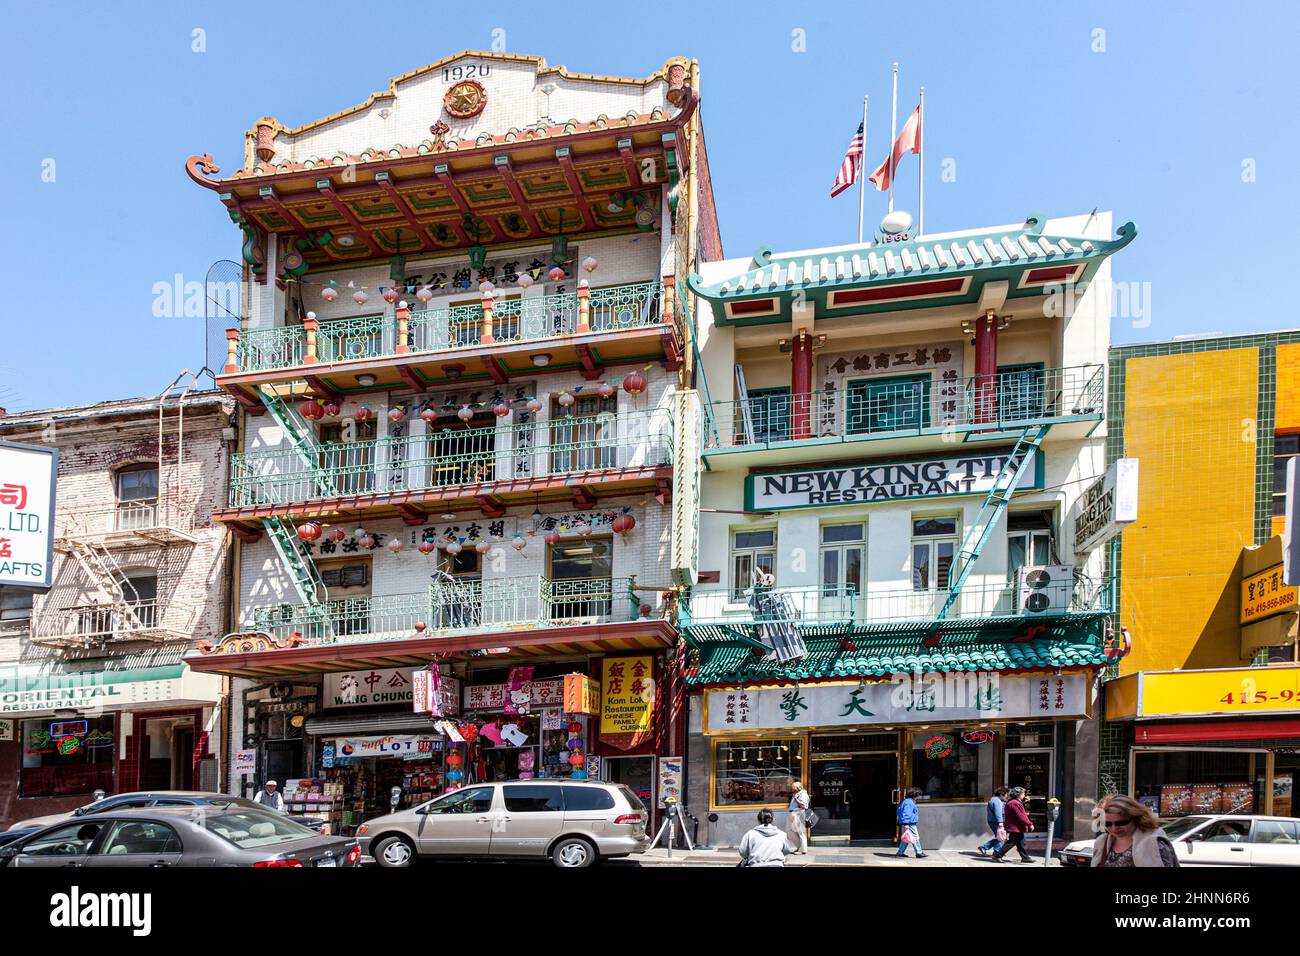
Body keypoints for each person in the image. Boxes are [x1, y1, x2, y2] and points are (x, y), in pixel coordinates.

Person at [1092, 794, 1179, 868]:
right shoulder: (1102, 842)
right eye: (1107, 824)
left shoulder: (1154, 843)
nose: (1114, 829)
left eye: (1121, 823)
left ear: (1135, 818)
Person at [992, 787, 1033, 862]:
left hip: (1015, 826)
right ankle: (998, 855)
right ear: (1019, 794)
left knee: (1020, 842)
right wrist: (1029, 824)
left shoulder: (1012, 802)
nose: (1024, 795)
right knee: (1011, 842)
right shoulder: (1015, 803)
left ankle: (1025, 857)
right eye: (1023, 793)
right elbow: (1021, 816)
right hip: (1015, 826)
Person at [978, 786, 1009, 856]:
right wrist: (1000, 822)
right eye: (1006, 794)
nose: (1007, 796)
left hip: (994, 821)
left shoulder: (995, 800)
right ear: (1001, 794)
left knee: (999, 837)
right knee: (1001, 837)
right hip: (996, 822)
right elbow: (998, 812)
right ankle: (989, 849)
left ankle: (995, 851)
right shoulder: (996, 801)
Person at [895, 787, 926, 858]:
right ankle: (919, 852)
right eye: (919, 795)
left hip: (909, 823)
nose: (919, 797)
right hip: (910, 823)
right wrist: (906, 824)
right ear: (915, 795)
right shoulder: (909, 802)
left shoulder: (907, 801)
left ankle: (900, 852)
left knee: (906, 838)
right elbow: (906, 813)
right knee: (915, 837)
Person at [786, 781, 811, 854]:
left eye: (793, 787)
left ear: (798, 788)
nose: (791, 788)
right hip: (793, 814)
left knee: (801, 832)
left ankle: (803, 849)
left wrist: (796, 799)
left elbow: (804, 806)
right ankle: (798, 846)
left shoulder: (803, 794)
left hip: (799, 814)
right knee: (789, 831)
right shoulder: (796, 794)